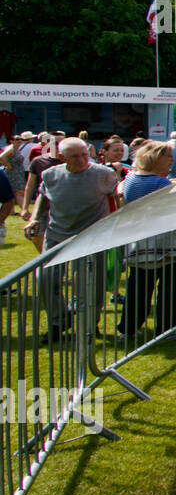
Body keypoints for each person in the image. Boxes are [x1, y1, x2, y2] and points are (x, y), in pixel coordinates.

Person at [25, 138, 119, 342]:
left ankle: (89, 326)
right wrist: (34, 219)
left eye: (85, 154)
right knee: (45, 280)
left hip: (92, 237)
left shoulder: (103, 174)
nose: (82, 160)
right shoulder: (50, 175)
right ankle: (59, 321)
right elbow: (43, 197)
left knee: (91, 285)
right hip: (57, 235)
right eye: (75, 156)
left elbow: (118, 196)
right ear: (61, 157)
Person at [116, 142, 176, 341]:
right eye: (168, 157)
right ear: (156, 158)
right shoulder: (160, 184)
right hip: (163, 243)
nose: (172, 160)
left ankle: (128, 328)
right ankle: (166, 329)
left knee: (137, 288)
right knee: (169, 288)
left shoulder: (130, 178)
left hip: (138, 241)